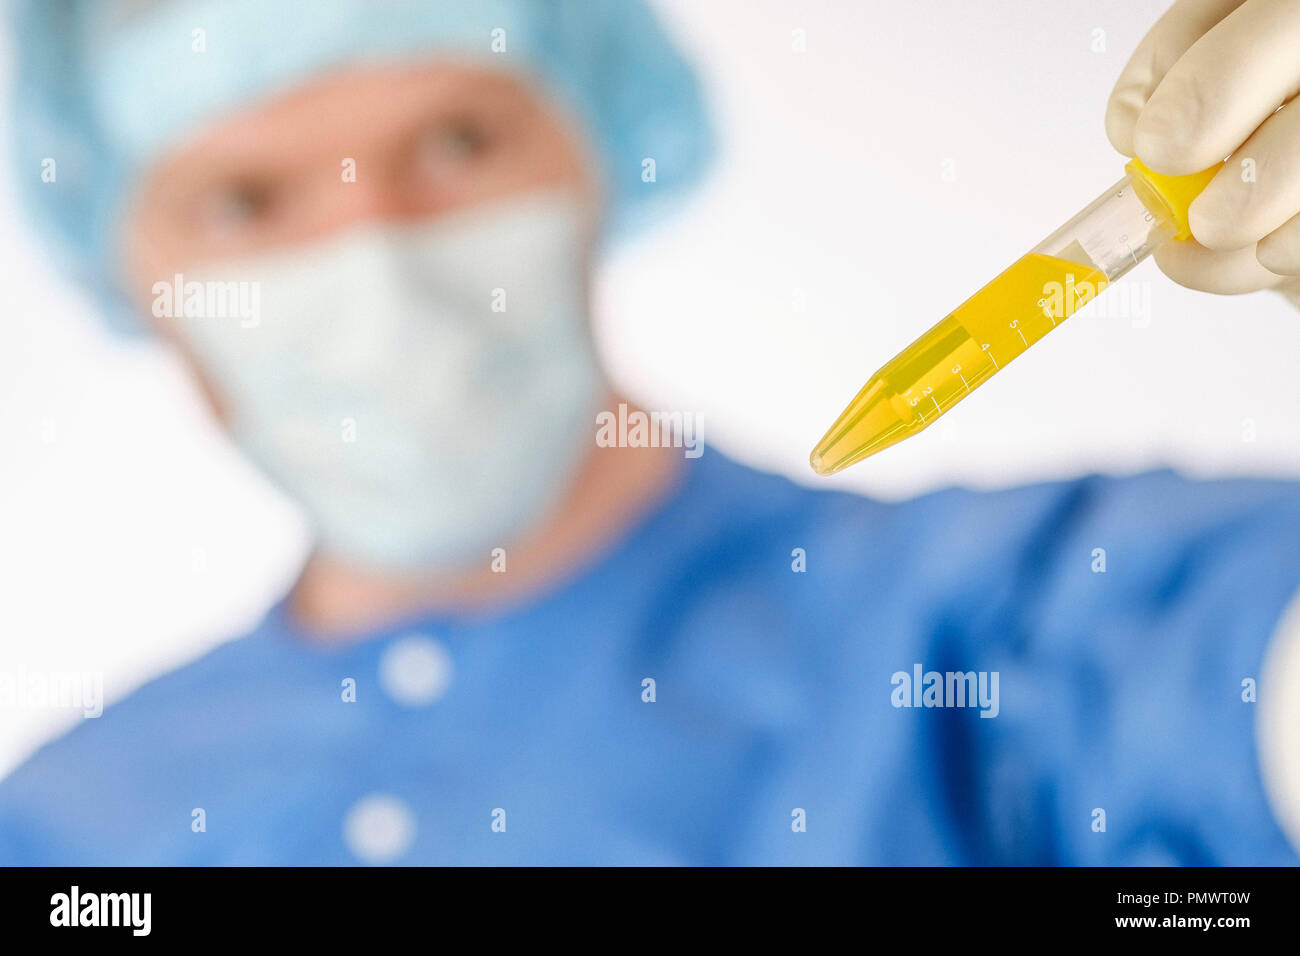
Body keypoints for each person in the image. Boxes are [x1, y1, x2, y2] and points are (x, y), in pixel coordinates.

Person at [1, 0, 1298, 866]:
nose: (373, 258)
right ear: (129, 268)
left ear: (595, 148)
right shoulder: (66, 825)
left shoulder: (980, 625)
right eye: (242, 199)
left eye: (456, 139)